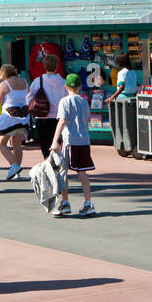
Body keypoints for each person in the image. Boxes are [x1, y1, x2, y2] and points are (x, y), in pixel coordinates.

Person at [50, 73, 96, 216]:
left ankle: (65, 203)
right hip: (84, 140)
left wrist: (55, 141)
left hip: (70, 141)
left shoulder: (64, 101)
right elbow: (87, 119)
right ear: (80, 86)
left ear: (66, 86)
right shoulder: (83, 101)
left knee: (63, 173)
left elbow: (62, 120)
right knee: (82, 173)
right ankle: (88, 203)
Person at [28, 54, 69, 159]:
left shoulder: (38, 81)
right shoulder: (63, 82)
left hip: (41, 116)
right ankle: (58, 168)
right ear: (56, 66)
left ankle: (49, 167)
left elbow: (29, 98)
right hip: (58, 118)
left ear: (44, 65)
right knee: (57, 144)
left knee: (45, 146)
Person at [0, 64, 28, 181]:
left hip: (9, 116)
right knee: (17, 144)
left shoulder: (4, 84)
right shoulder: (24, 82)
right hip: (23, 115)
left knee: (1, 143)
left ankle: (14, 165)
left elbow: (0, 101)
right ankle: (17, 172)